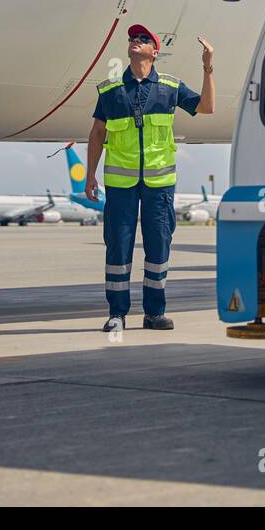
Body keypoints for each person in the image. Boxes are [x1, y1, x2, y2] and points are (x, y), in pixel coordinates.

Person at [84, 25, 215, 332]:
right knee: (118, 248)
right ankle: (117, 313)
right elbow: (97, 133)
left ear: (155, 52)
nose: (135, 41)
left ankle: (154, 313)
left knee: (158, 249)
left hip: (160, 185)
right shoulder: (110, 90)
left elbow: (207, 107)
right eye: (133, 38)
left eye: (143, 39)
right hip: (120, 185)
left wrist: (207, 66)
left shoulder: (170, 87)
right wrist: (90, 175)